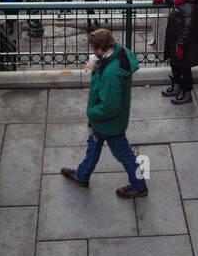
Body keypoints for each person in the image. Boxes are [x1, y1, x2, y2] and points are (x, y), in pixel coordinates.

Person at [61, 29, 144, 198]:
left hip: (107, 122)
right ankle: (82, 175)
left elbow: (110, 106)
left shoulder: (111, 74)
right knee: (93, 145)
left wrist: (91, 113)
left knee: (124, 154)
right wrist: (97, 65)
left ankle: (139, 185)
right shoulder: (116, 54)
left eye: (93, 49)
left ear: (100, 49)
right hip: (106, 122)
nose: (92, 52)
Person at [163, 0, 198, 105]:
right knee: (174, 63)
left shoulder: (190, 6)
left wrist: (180, 46)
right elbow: (176, 2)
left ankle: (187, 93)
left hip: (186, 44)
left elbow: (188, 28)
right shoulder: (183, 1)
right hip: (176, 40)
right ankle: (176, 86)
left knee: (185, 68)